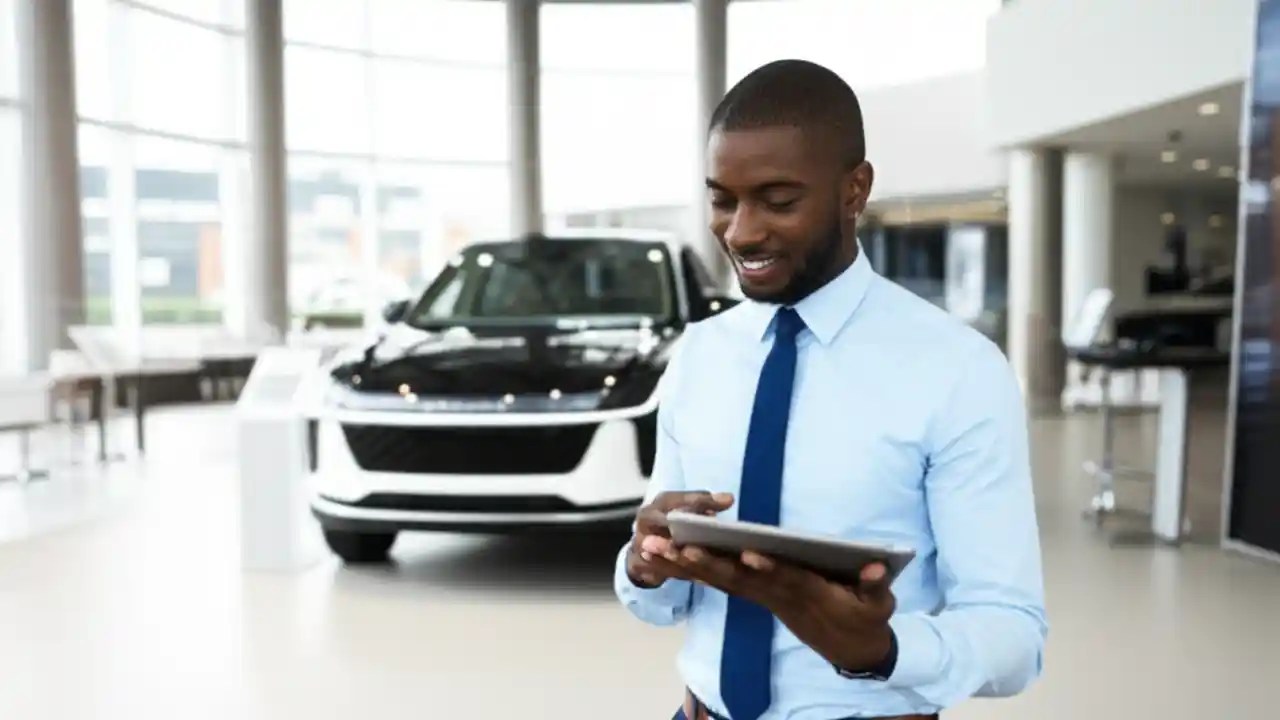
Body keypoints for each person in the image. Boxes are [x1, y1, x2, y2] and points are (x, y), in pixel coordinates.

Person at [612, 59, 1047, 720]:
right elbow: (663, 599)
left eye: (778, 201)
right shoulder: (701, 354)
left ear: (854, 189)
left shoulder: (958, 369)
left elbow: (1013, 633)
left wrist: (882, 648)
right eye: (723, 199)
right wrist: (645, 565)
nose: (741, 231)